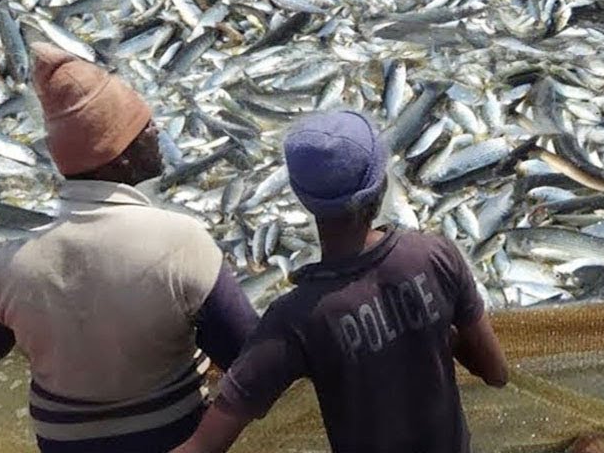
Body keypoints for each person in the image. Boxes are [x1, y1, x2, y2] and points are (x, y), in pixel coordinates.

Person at [0, 42, 258, 453]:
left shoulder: (1, 263)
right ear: (120, 157)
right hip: (173, 439)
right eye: (145, 128)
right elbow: (244, 353)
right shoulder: (181, 242)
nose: (157, 134)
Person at [176, 111, 509, 453]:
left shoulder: (294, 318)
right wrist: (442, 336)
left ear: (301, 197)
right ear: (382, 183)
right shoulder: (436, 255)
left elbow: (204, 445)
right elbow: (497, 373)